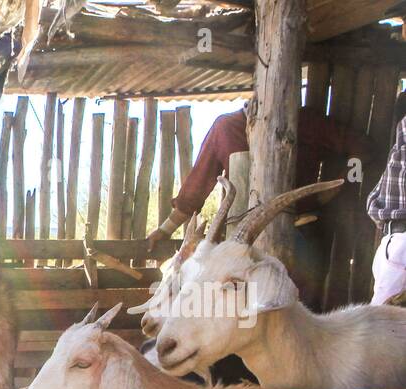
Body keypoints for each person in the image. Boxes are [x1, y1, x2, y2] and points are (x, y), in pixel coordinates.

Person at [147, 106, 369, 306]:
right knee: (243, 308)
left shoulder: (307, 122)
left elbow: (363, 149)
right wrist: (165, 229)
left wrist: (343, 184)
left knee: (299, 307)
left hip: (300, 229)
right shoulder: (226, 127)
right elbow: (195, 189)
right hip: (242, 240)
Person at [365, 95, 406, 305]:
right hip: (401, 247)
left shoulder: (397, 153)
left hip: (391, 244)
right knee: (383, 324)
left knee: (383, 322)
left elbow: (373, 200)